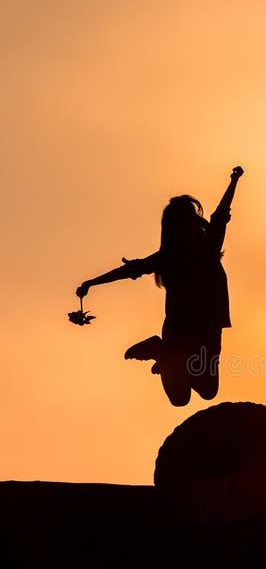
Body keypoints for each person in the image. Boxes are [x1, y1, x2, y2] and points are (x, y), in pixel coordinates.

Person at [75, 166, 244, 406]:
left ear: (195, 224)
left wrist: (233, 181)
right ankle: (163, 352)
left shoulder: (207, 247)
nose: (185, 230)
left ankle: (167, 356)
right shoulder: (171, 256)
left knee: (205, 391)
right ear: (173, 230)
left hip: (206, 327)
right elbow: (130, 270)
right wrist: (92, 282)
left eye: (188, 224)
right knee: (181, 398)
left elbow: (220, 214)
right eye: (179, 226)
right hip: (184, 328)